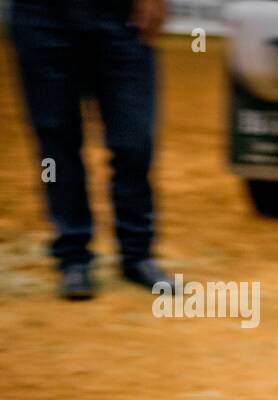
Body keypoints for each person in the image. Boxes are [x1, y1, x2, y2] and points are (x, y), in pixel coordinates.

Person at [9, 0, 172, 300]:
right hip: (41, 19)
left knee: (135, 142)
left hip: (122, 18)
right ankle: (72, 256)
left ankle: (137, 254)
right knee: (55, 145)